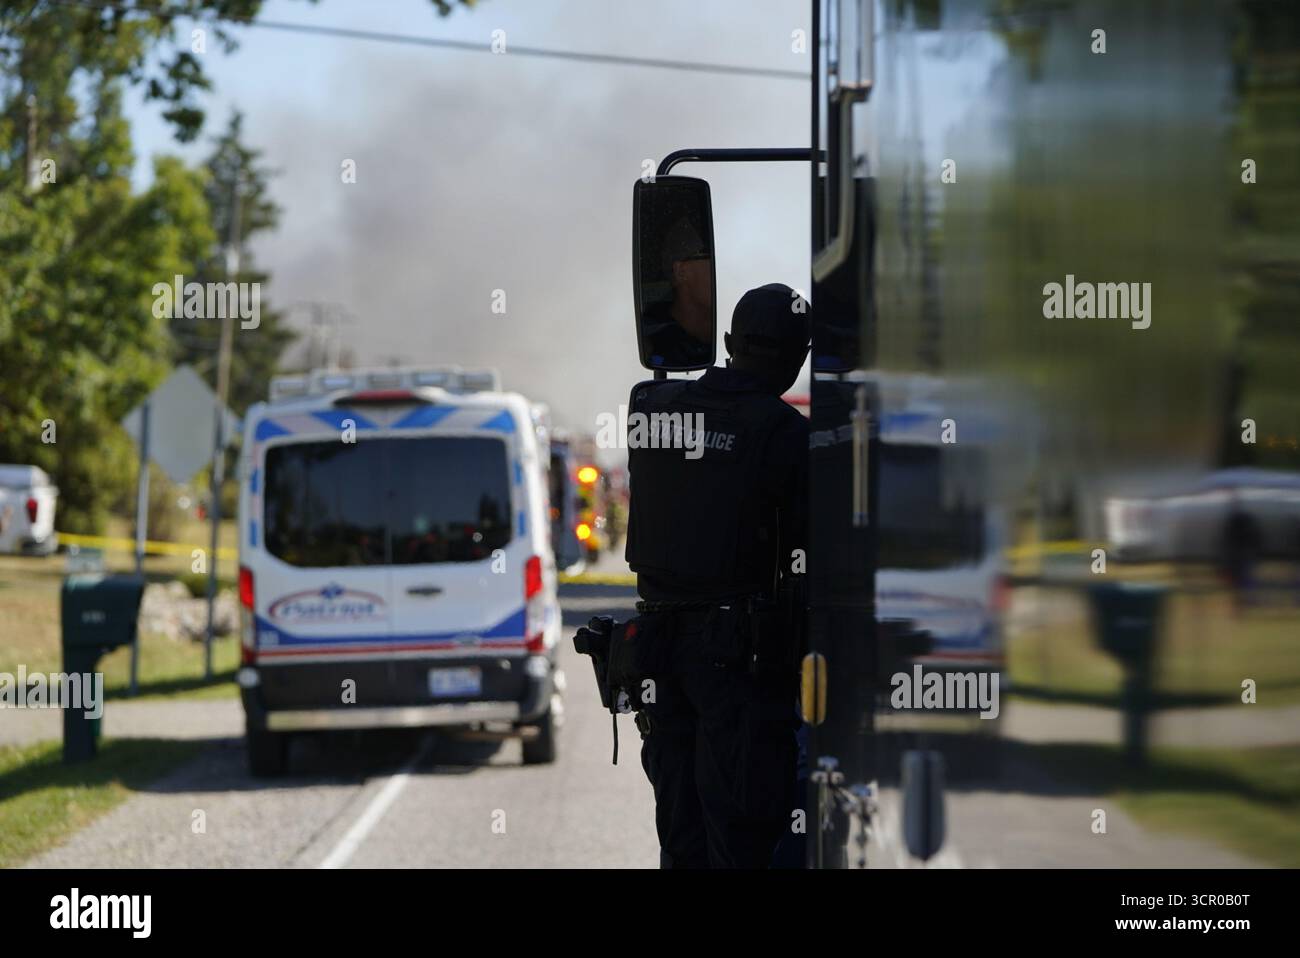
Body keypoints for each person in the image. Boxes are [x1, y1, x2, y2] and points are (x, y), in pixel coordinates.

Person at [624, 282, 810, 868]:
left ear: (727, 342)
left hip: (656, 651)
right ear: (797, 358)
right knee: (741, 836)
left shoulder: (649, 405)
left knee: (681, 835)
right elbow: (812, 555)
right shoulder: (783, 432)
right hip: (738, 664)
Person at [639, 218, 715, 368]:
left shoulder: (705, 344)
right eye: (708, 256)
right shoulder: (655, 347)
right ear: (680, 272)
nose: (717, 268)